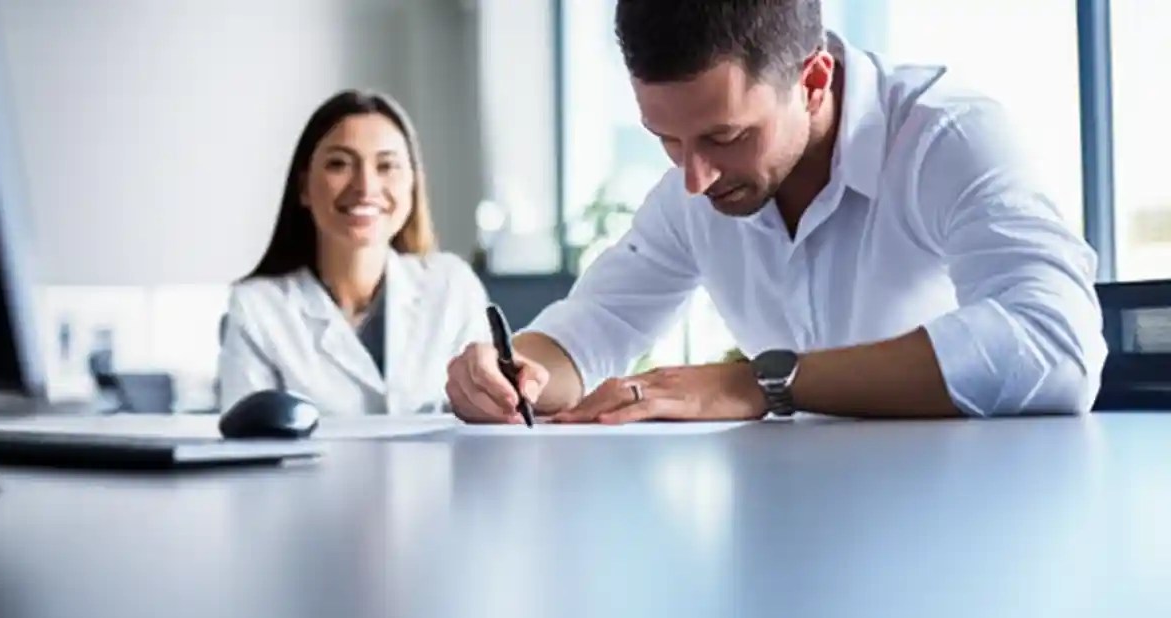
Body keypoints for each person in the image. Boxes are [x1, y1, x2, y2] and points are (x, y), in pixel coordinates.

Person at [446, 0, 1106, 424]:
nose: (694, 176)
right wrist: (515, 374)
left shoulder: (947, 137)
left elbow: (1057, 344)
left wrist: (765, 383)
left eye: (725, 137)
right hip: (795, 525)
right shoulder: (695, 185)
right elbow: (600, 321)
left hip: (967, 524)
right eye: (666, 140)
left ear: (813, 81)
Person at [219, 90, 489, 415]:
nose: (365, 186)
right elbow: (249, 442)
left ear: (412, 185)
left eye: (386, 165)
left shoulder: (451, 286)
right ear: (304, 187)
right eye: (339, 164)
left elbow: (483, 418)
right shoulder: (257, 307)